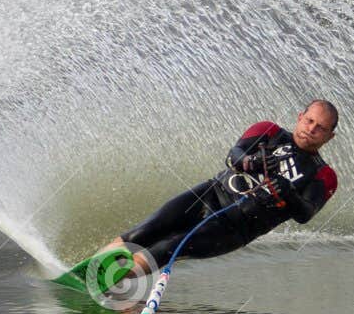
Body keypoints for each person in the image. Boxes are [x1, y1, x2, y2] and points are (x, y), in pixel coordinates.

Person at [107, 100, 340, 273]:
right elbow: (234, 156)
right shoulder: (268, 131)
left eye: (320, 127)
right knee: (144, 231)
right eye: (309, 121)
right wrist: (252, 162)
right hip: (209, 194)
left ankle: (110, 283)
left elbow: (305, 214)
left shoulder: (323, 175)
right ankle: (90, 269)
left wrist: (287, 192)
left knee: (169, 247)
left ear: (330, 137)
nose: (311, 129)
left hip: (235, 229)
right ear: (300, 116)